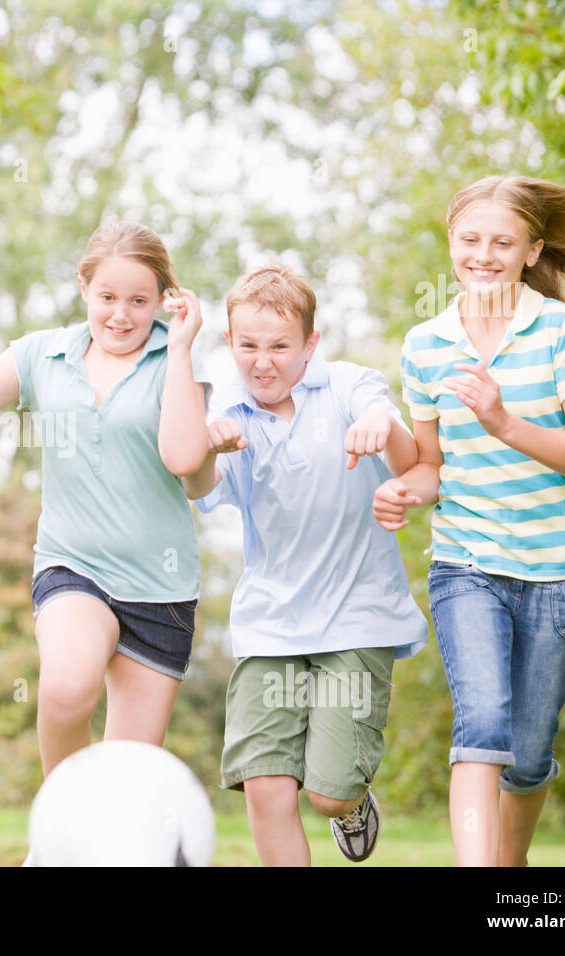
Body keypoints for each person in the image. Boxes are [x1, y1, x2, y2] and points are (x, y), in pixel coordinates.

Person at [375, 175, 565, 866]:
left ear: (532, 250)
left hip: (558, 573)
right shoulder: (426, 345)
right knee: (483, 725)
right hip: (466, 563)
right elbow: (432, 468)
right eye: (470, 239)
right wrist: (405, 491)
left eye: (502, 241)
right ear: (450, 244)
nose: (483, 254)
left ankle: (510, 866)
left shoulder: (563, 330)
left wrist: (501, 419)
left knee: (527, 756)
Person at [0, 221, 211, 803]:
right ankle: (60, 830)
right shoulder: (40, 353)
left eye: (139, 301)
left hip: (159, 586)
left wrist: (184, 347)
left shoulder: (179, 361)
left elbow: (191, 468)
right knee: (66, 689)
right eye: (108, 297)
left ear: (164, 300)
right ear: (83, 287)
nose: (121, 315)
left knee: (127, 783)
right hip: (73, 565)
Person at [183, 263, 429, 865]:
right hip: (270, 625)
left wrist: (381, 424)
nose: (262, 360)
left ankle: (350, 805)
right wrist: (204, 449)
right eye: (248, 345)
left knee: (325, 793)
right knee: (266, 787)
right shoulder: (230, 416)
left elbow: (407, 455)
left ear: (309, 345)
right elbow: (197, 487)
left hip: (357, 618)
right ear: (231, 342)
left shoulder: (351, 387)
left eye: (279, 346)